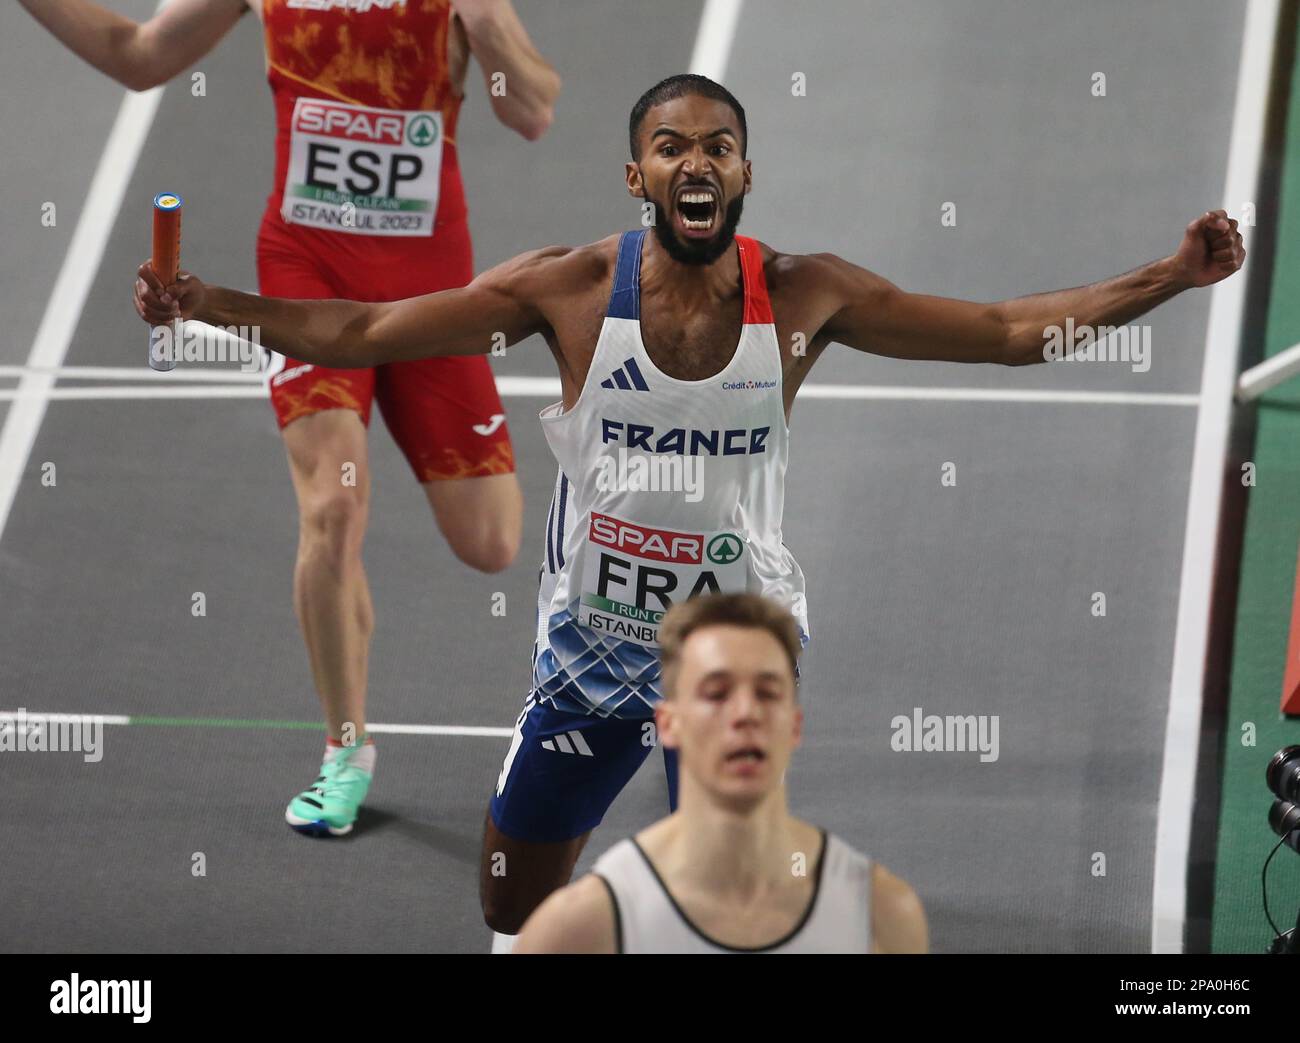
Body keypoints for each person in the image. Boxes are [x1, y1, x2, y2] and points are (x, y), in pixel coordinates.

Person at [131, 73, 1245, 936]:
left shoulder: (807, 295)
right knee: (511, 902)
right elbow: (363, 334)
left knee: (723, 902)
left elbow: (1009, 335)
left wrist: (1169, 273)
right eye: (671, 146)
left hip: (729, 662)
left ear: (744, 173)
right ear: (639, 177)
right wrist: (208, 303)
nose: (695, 161)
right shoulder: (566, 291)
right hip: (587, 654)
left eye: (716, 146)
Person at [23, 0, 560, 836]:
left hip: (431, 285)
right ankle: (345, 747)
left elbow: (532, 109)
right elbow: (136, 56)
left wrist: (487, 24)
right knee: (333, 507)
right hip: (305, 269)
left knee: (490, 542)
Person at [513, 592, 927, 953]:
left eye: (767, 692)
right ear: (669, 722)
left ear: (794, 724)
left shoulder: (882, 917)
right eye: (716, 693)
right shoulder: (579, 929)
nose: (745, 713)